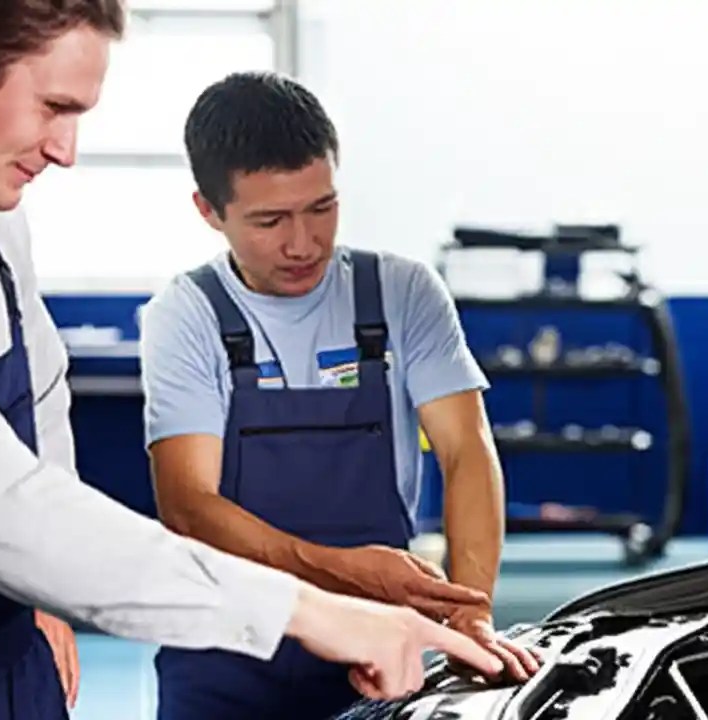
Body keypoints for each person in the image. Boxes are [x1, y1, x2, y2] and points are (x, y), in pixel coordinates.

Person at [0, 3, 503, 719]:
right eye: (54, 107)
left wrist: (43, 601)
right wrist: (323, 610)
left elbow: (41, 419)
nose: (65, 150)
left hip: (18, 663)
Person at [139, 71, 542, 720]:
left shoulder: (403, 295)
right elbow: (189, 507)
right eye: (270, 220)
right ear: (208, 211)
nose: (303, 244)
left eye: (321, 207)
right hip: (223, 651)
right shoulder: (184, 316)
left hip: (375, 652)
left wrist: (470, 612)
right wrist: (346, 573)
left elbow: (467, 453)